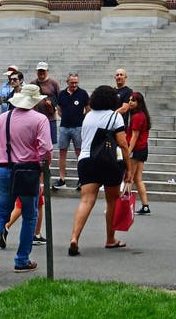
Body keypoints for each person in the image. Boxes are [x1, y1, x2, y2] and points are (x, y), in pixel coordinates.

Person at [0, 83, 53, 277]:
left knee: (1, 212)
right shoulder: (40, 119)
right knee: (29, 214)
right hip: (27, 170)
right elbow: (45, 149)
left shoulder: (2, 118)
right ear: (35, 101)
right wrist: (44, 170)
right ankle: (21, 259)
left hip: (3, 169)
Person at [68, 85, 132, 255]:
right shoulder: (115, 116)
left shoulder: (88, 116)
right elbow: (123, 144)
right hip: (108, 161)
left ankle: (74, 237)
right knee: (112, 200)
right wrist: (129, 168)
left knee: (86, 200)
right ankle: (110, 239)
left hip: (86, 160)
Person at [53, 72, 89, 190]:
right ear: (67, 82)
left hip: (78, 127)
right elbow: (59, 110)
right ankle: (62, 178)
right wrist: (66, 117)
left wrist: (81, 120)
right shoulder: (62, 94)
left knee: (79, 152)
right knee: (62, 152)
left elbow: (88, 110)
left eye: (76, 82)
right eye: (72, 82)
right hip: (64, 127)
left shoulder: (83, 93)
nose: (74, 85)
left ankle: (81, 178)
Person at [126, 91, 152, 215]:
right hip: (143, 149)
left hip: (136, 150)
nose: (130, 102)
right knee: (138, 179)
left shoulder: (137, 117)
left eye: (133, 100)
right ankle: (145, 206)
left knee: (129, 178)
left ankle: (124, 206)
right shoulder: (142, 115)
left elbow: (134, 137)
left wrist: (128, 151)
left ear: (139, 103)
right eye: (130, 99)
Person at [31, 61, 60, 144]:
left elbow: (59, 99)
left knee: (50, 142)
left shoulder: (54, 83)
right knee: (36, 142)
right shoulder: (32, 83)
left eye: (43, 71)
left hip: (50, 118)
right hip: (35, 119)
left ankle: (49, 157)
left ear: (47, 71)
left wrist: (51, 104)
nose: (41, 73)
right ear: (36, 71)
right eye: (39, 71)